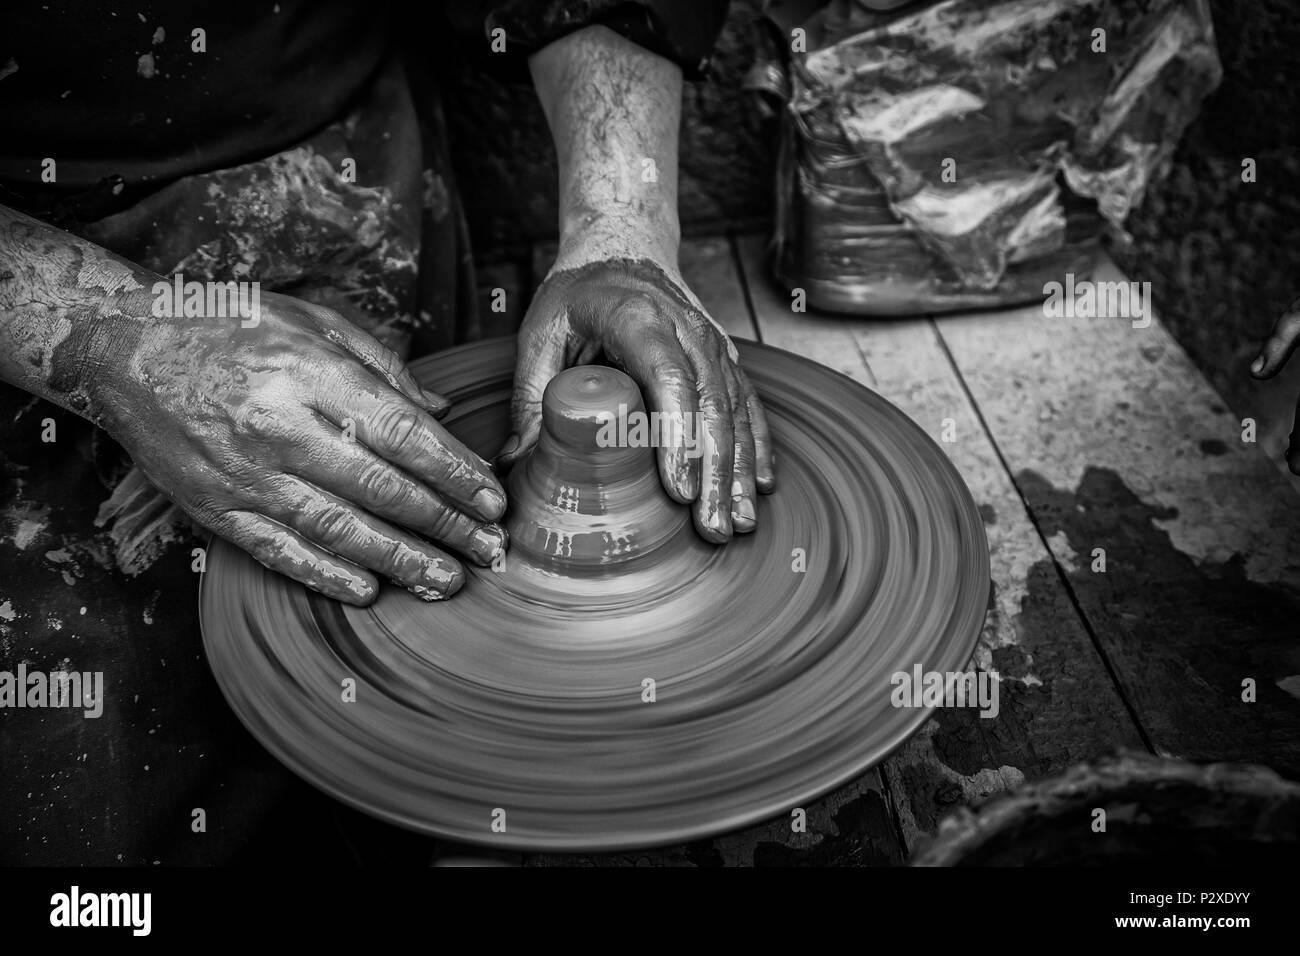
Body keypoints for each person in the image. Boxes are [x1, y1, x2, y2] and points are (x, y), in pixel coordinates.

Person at [0, 0, 772, 864]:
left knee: (483, 744)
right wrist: (108, 334)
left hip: (334, 153)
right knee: (96, 781)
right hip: (29, 260)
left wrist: (619, 222)